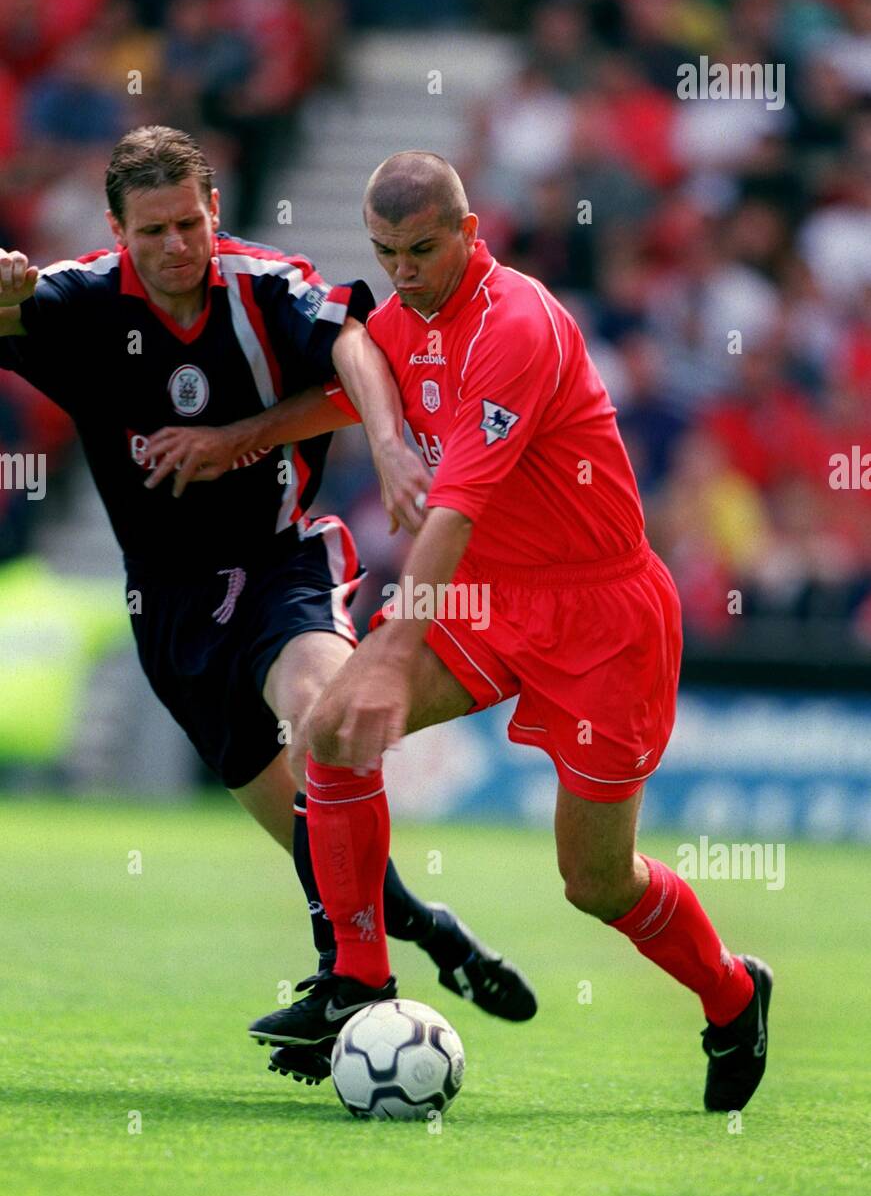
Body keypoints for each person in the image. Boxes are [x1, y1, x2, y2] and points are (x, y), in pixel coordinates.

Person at [0, 128, 537, 1086]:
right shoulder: (78, 300)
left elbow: (354, 350)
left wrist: (377, 442)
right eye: (154, 230)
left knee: (323, 717)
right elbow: (11, 315)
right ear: (117, 232)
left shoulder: (261, 285)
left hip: (279, 565)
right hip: (169, 609)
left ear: (216, 211)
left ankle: (347, 986)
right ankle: (427, 934)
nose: (178, 246)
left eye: (191, 222)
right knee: (310, 839)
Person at [246, 151, 772, 1113]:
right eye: (384, 253)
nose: (402, 270)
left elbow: (452, 510)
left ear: (470, 231)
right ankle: (357, 981)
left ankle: (733, 995)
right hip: (490, 597)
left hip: (600, 614)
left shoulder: (517, 322)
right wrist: (230, 439)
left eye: (421, 248)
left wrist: (393, 650)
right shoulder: (406, 323)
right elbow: (347, 397)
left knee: (594, 880)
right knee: (333, 731)